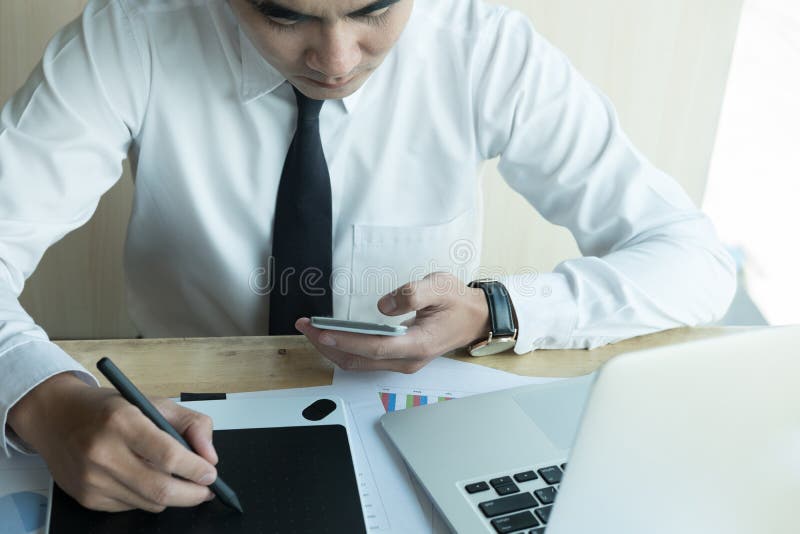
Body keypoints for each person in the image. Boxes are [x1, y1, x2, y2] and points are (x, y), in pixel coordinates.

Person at [1, 0, 735, 514]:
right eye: (284, 14)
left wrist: (497, 310)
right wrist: (46, 401)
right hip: (180, 423)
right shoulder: (130, 35)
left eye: (374, 9)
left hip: (424, 422)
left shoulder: (485, 49)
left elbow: (693, 259)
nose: (336, 59)